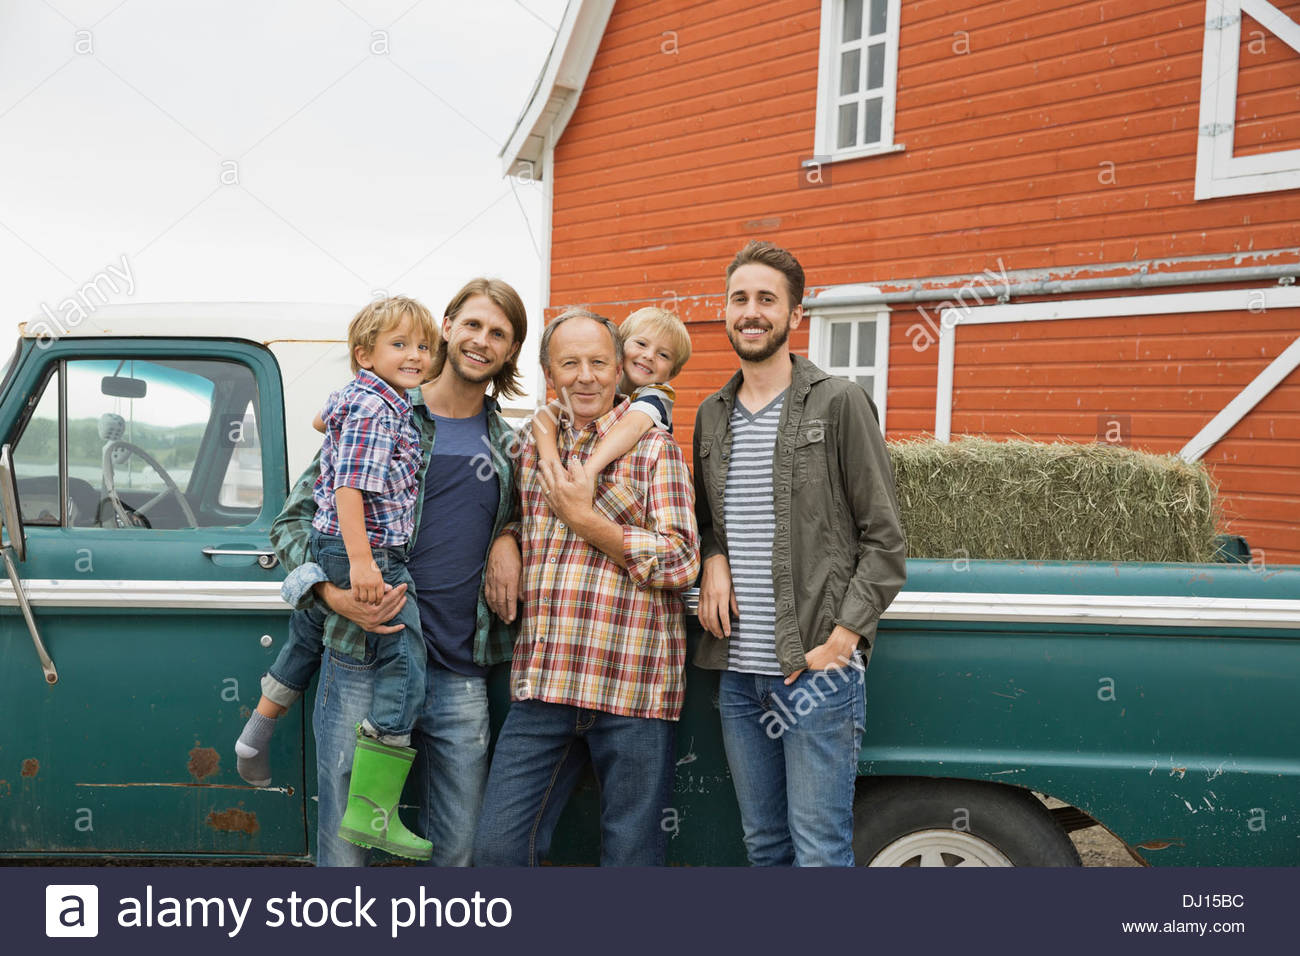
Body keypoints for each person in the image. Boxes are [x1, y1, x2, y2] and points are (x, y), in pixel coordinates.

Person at [268, 278, 528, 866]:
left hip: (460, 668)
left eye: (498, 333)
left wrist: (508, 537)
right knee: (344, 847)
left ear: (510, 351)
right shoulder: (378, 414)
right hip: (362, 655)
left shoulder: (509, 448)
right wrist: (332, 594)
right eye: (471, 324)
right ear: (446, 329)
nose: (481, 341)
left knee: (458, 848)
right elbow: (293, 525)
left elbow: (528, 523)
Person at [693, 240, 907, 866]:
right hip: (738, 675)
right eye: (739, 299)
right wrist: (713, 559)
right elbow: (708, 523)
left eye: (767, 299)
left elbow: (885, 539)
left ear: (794, 316)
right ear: (724, 311)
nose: (750, 311)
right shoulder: (712, 415)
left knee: (818, 852)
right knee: (764, 847)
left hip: (814, 668)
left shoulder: (838, 402)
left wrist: (843, 641)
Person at [475, 309, 699, 866]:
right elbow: (510, 513)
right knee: (499, 849)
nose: (586, 376)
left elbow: (682, 559)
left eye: (599, 362)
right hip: (545, 685)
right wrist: (505, 536)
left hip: (634, 687)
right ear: (550, 374)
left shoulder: (655, 449)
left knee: (630, 858)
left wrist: (588, 523)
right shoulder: (532, 446)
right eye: (569, 364)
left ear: (618, 366)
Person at [236, 296, 434, 860]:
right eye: (400, 345)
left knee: (305, 635)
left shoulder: (356, 397)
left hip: (334, 547)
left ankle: (256, 731)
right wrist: (364, 565)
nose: (416, 355)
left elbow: (324, 421)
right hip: (369, 550)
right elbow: (348, 489)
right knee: (407, 662)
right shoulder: (381, 411)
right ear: (364, 355)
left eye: (422, 345)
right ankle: (374, 812)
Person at [532, 306, 691, 476]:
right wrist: (551, 463)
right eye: (641, 344)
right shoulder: (603, 383)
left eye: (664, 355)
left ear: (672, 372)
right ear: (619, 350)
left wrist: (587, 472)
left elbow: (632, 427)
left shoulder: (659, 394)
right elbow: (544, 415)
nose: (649, 355)